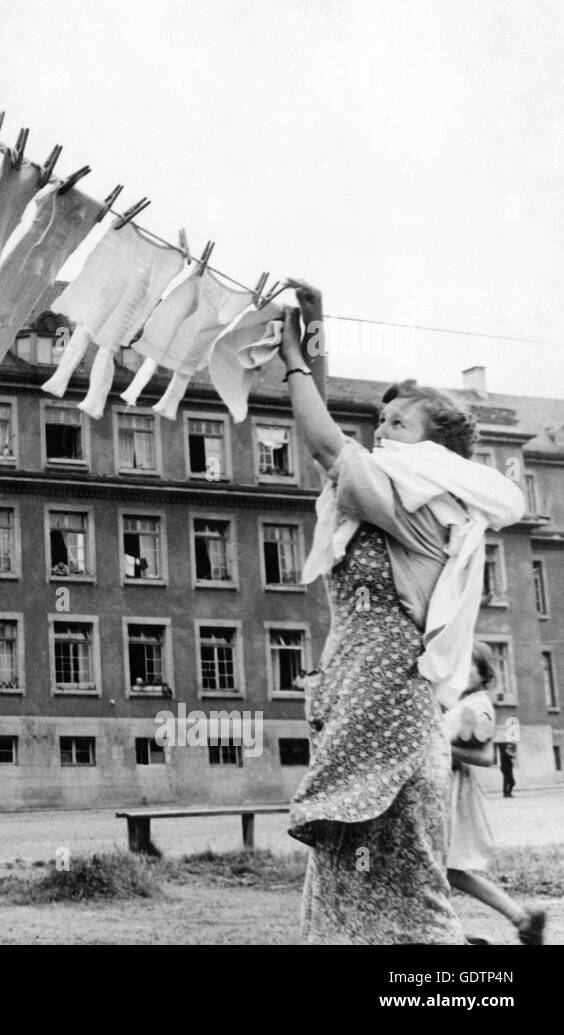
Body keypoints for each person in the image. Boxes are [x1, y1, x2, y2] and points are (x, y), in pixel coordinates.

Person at [281, 280, 525, 944]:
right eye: (380, 421)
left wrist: (294, 362)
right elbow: (336, 451)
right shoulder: (389, 496)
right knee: (341, 901)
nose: (380, 433)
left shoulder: (422, 509)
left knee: (412, 911)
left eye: (397, 423)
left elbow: (327, 446)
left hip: (391, 733)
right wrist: (316, 325)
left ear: (432, 449)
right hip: (359, 722)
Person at [446, 643, 547, 944]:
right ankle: (519, 919)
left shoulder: (479, 705)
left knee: (439, 867)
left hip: (448, 792)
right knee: (445, 870)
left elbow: (485, 756)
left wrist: (438, 746)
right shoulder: (459, 701)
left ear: (485, 674)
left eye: (470, 667)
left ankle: (452, 935)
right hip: (441, 786)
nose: (462, 672)